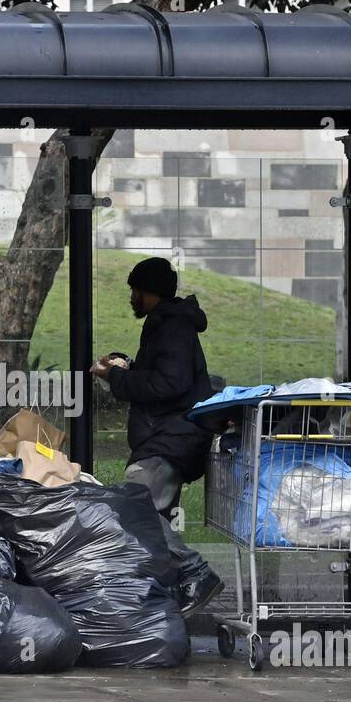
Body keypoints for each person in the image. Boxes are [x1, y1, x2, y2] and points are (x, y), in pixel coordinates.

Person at [91, 256, 223, 616]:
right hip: (168, 437)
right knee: (151, 520)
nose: (132, 297)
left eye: (136, 290)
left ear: (150, 292)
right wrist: (127, 367)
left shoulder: (171, 327)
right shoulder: (166, 324)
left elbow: (168, 384)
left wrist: (115, 378)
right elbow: (165, 377)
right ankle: (172, 596)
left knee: (138, 511)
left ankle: (196, 574)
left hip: (170, 439)